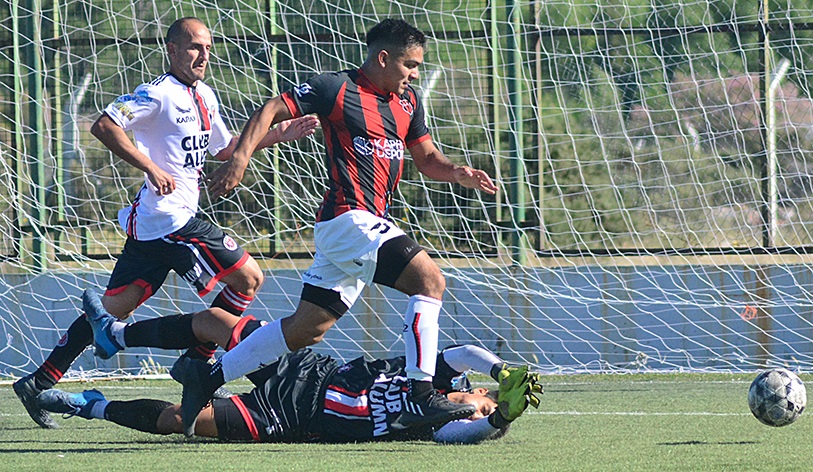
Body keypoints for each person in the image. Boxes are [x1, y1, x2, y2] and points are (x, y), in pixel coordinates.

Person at [176, 17, 499, 436]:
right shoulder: (337, 88)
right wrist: (240, 157)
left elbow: (427, 159)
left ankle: (209, 376)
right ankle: (421, 393)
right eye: (409, 65)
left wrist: (458, 172)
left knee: (307, 328)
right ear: (383, 58)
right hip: (348, 219)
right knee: (430, 281)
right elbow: (272, 108)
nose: (414, 74)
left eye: (418, 66)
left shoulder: (408, 103)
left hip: (359, 229)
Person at [13, 17, 318, 429]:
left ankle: (38, 381)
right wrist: (150, 166)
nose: (202, 55)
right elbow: (104, 124)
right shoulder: (156, 94)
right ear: (172, 50)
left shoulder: (205, 95)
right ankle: (197, 363)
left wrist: (278, 134)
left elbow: (226, 150)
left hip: (157, 225)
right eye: (193, 47)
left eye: (207, 48)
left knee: (113, 309)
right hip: (168, 220)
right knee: (248, 278)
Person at [40, 293, 542, 444]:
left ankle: (89, 405)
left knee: (181, 420)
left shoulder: (433, 426)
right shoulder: (431, 377)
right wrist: (501, 372)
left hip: (292, 419)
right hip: (310, 370)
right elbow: (467, 352)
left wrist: (498, 422)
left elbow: (462, 436)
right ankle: (117, 336)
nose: (471, 415)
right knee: (217, 320)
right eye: (478, 408)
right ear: (470, 391)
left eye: (476, 418)